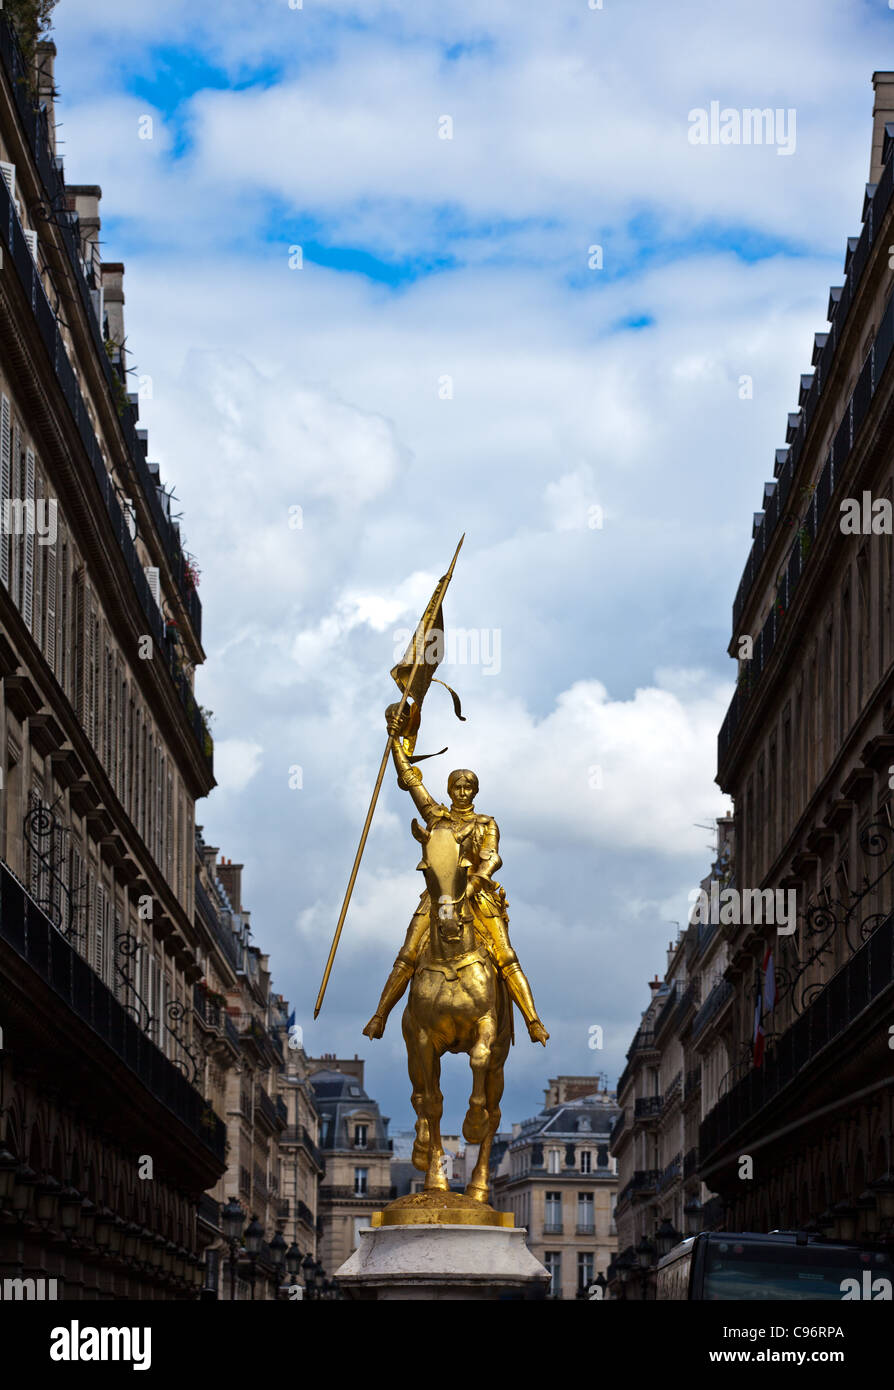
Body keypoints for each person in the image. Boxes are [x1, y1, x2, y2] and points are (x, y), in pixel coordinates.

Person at [363, 703, 549, 1045]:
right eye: (457, 788)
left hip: (476, 894)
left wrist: (477, 879)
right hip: (437, 896)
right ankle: (380, 1016)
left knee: (506, 956)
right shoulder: (437, 818)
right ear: (450, 791)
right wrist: (394, 742)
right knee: (407, 954)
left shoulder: (486, 823)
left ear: (474, 792)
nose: (462, 793)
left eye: (468, 789)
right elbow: (410, 781)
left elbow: (492, 856)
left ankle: (532, 1020)